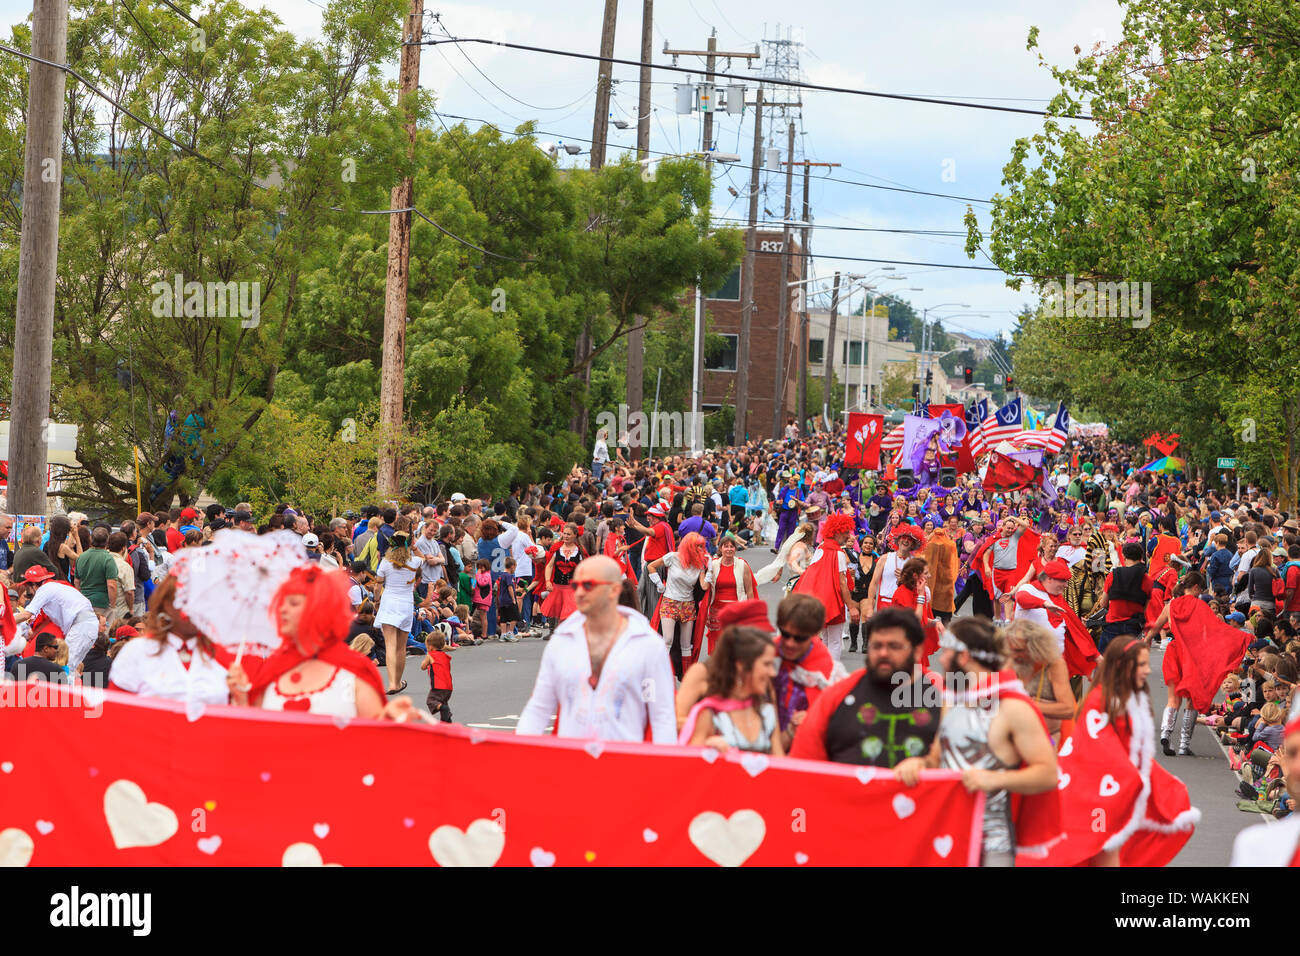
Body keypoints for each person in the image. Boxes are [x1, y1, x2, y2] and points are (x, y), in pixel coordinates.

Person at [893, 617, 1060, 867]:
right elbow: (937, 758)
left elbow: (1048, 774)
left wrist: (995, 779)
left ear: (963, 658)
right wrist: (919, 763)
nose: (939, 658)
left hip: (993, 845)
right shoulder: (952, 700)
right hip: (947, 831)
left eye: (945, 651)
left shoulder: (1013, 707)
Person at [1034, 636, 1200, 867]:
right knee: (1102, 851)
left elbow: (1133, 751)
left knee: (1107, 851)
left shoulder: (1130, 698)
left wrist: (1158, 781)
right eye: (1141, 664)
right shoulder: (1100, 700)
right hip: (1095, 797)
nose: (1147, 670)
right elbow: (1103, 746)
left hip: (1112, 790)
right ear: (1123, 665)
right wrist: (1134, 777)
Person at [517, 555, 676, 742]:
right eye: (576, 586)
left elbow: (663, 716)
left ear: (614, 590)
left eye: (589, 585)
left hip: (625, 765)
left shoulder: (648, 644)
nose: (579, 593)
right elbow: (539, 708)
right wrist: (516, 753)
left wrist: (663, 767)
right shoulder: (561, 640)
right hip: (571, 764)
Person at [227, 566, 413, 721]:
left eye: (293, 603)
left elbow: (373, 738)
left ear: (319, 609)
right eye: (281, 602)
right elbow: (256, 732)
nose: (282, 609)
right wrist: (241, 698)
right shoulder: (272, 668)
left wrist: (388, 719)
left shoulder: (354, 670)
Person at [788, 606, 940, 766]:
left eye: (894, 646)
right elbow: (803, 763)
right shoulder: (836, 697)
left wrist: (928, 763)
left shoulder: (942, 700)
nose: (883, 653)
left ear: (917, 651)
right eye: (876, 646)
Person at [1145, 571, 1251, 756]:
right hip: (1193, 656)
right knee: (1192, 700)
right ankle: (1184, 744)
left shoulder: (1171, 605)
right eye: (1200, 590)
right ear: (1195, 588)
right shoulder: (1201, 607)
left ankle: (1165, 733)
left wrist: (1146, 641)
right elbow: (1216, 630)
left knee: (1172, 699)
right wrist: (1243, 637)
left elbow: (1156, 626)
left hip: (1174, 651)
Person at [108, 575, 232, 706]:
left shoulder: (224, 655)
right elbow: (117, 713)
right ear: (167, 605)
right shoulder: (136, 652)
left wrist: (240, 697)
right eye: (188, 601)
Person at [678, 626, 784, 755]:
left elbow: (780, 765)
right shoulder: (710, 715)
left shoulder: (767, 713)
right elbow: (688, 766)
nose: (772, 673)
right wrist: (708, 751)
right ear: (742, 666)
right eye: (766, 664)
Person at [1230, 698, 1300, 864]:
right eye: (1293, 753)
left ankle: (1261, 790)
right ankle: (1258, 783)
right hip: (1281, 774)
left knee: (1281, 795)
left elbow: (1257, 736)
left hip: (1282, 778)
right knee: (1282, 794)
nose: (1297, 765)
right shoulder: (1255, 845)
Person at [790, 513, 856, 661]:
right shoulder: (837, 553)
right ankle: (832, 674)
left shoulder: (821, 548)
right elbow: (842, 583)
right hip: (832, 601)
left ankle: (824, 671)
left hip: (819, 602)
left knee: (826, 640)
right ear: (836, 531)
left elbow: (814, 574)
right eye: (846, 532)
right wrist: (851, 607)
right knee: (834, 641)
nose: (848, 536)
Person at [13, 566, 100, 672]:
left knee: (64, 666)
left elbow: (26, 615)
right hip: (86, 625)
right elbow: (44, 620)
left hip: (81, 626)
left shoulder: (45, 589)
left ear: (33, 585)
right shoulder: (55, 587)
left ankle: (63, 688)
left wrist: (5, 621)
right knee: (70, 668)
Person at [645, 532, 710, 672]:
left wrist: (710, 569)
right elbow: (651, 566)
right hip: (670, 601)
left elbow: (704, 586)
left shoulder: (700, 563)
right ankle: (660, 673)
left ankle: (686, 677)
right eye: (697, 546)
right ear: (689, 546)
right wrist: (658, 583)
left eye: (702, 546)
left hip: (688, 605)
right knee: (667, 640)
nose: (700, 549)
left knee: (686, 645)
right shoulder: (673, 557)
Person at [1003, 618, 1075, 740]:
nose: (1013, 655)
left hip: (1047, 739)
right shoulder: (1010, 660)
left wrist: (1028, 704)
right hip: (1013, 737)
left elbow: (1068, 709)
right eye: (1010, 649)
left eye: (1019, 650)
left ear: (1035, 647)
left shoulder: (1054, 665)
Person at [373, 523, 423, 694]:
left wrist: (377, 600)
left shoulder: (386, 562)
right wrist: (414, 547)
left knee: (390, 646)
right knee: (401, 648)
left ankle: (393, 683)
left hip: (389, 603)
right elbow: (422, 557)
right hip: (406, 604)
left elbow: (377, 586)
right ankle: (398, 682)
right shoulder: (415, 561)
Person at [700, 533, 759, 660]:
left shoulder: (742, 565)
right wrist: (705, 613)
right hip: (717, 611)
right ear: (720, 549)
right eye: (726, 546)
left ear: (735, 549)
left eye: (732, 547)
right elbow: (706, 590)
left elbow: (749, 591)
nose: (729, 549)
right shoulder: (713, 565)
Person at [1090, 541, 1153, 651]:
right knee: (1129, 663)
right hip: (1133, 626)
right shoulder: (1147, 579)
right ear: (1141, 557)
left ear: (1123, 556)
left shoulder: (1113, 575)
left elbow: (1103, 603)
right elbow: (1145, 608)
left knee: (1105, 663)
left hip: (1112, 624)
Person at [866, 523, 924, 613]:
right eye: (903, 538)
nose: (906, 541)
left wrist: (905, 578)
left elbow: (920, 586)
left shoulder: (915, 563)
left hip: (906, 605)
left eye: (910, 539)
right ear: (898, 540)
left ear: (913, 545)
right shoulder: (885, 558)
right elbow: (873, 583)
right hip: (885, 604)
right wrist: (870, 607)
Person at [74, 526, 119, 622]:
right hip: (103, 604)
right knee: (103, 633)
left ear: (91, 539)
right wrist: (113, 605)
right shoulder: (108, 559)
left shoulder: (81, 557)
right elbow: (111, 585)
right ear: (107, 541)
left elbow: (77, 581)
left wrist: (80, 598)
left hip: (85, 602)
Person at [420, 629, 453, 722]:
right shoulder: (445, 655)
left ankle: (445, 711)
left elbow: (422, 667)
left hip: (438, 685)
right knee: (443, 702)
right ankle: (446, 721)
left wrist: (427, 663)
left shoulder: (430, 655)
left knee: (431, 701)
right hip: (448, 686)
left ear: (430, 647)